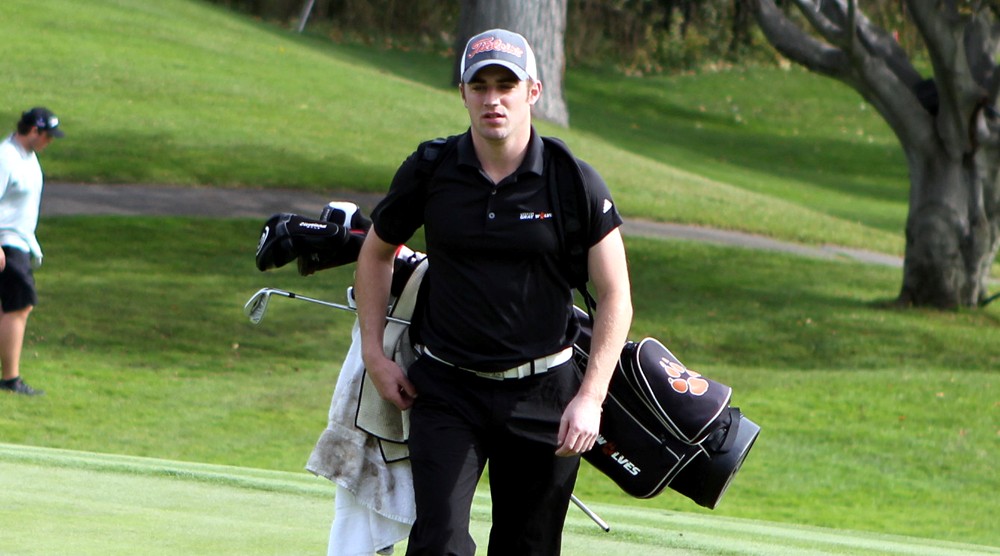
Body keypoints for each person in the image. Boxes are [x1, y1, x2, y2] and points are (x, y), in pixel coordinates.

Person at [355, 29, 633, 555]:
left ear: (533, 91)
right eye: (479, 86)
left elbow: (616, 293)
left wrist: (590, 398)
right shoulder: (431, 169)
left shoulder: (571, 180)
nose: (493, 99)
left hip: (544, 392)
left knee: (527, 547)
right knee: (438, 542)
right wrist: (374, 353)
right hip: (446, 389)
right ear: (462, 93)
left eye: (506, 85)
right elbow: (375, 253)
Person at [0, 107, 64, 396]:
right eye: (48, 136)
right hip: (7, 242)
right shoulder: (6, 157)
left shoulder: (26, 155)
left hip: (20, 242)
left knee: (9, 308)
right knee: (19, 307)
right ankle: (10, 379)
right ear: (34, 131)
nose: (49, 142)